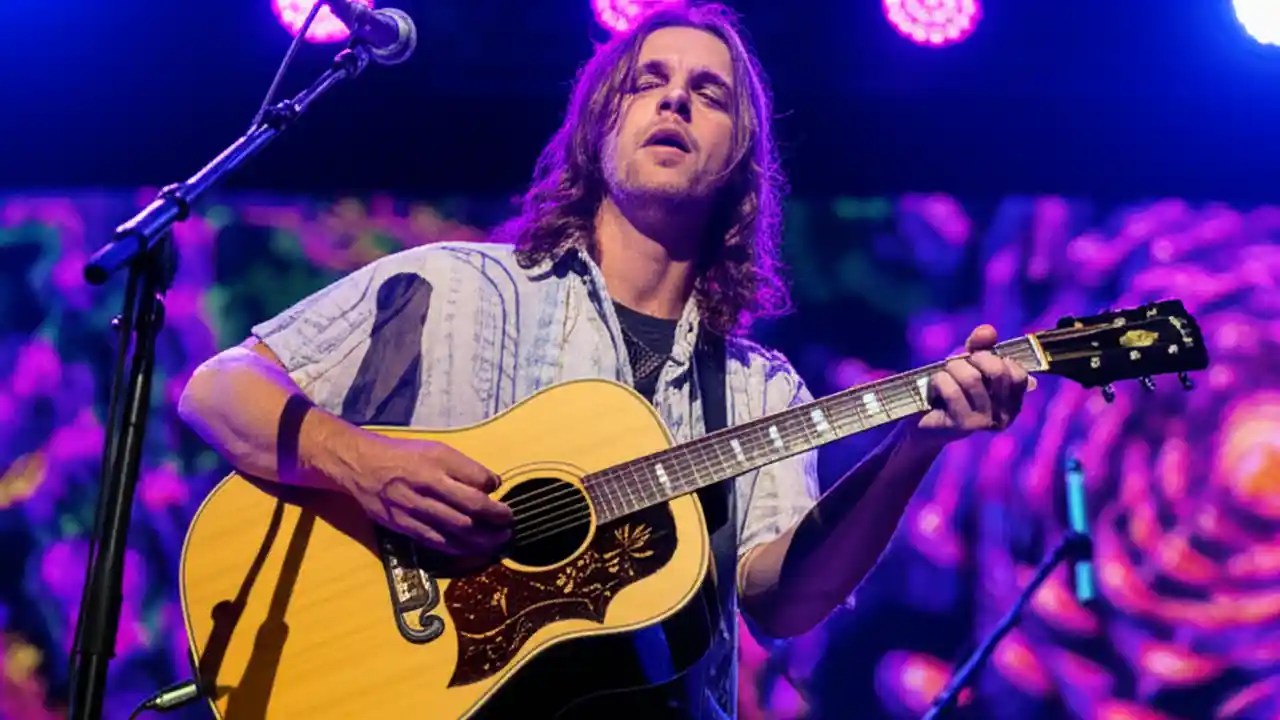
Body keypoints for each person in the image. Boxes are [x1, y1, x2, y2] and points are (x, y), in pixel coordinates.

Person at [177, 3, 1030, 718]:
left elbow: (783, 602)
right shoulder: (448, 284)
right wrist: (363, 464)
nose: (675, 100)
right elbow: (220, 390)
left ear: (740, 158)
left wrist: (915, 446)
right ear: (600, 125)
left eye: (709, 93)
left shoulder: (760, 389)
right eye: (647, 82)